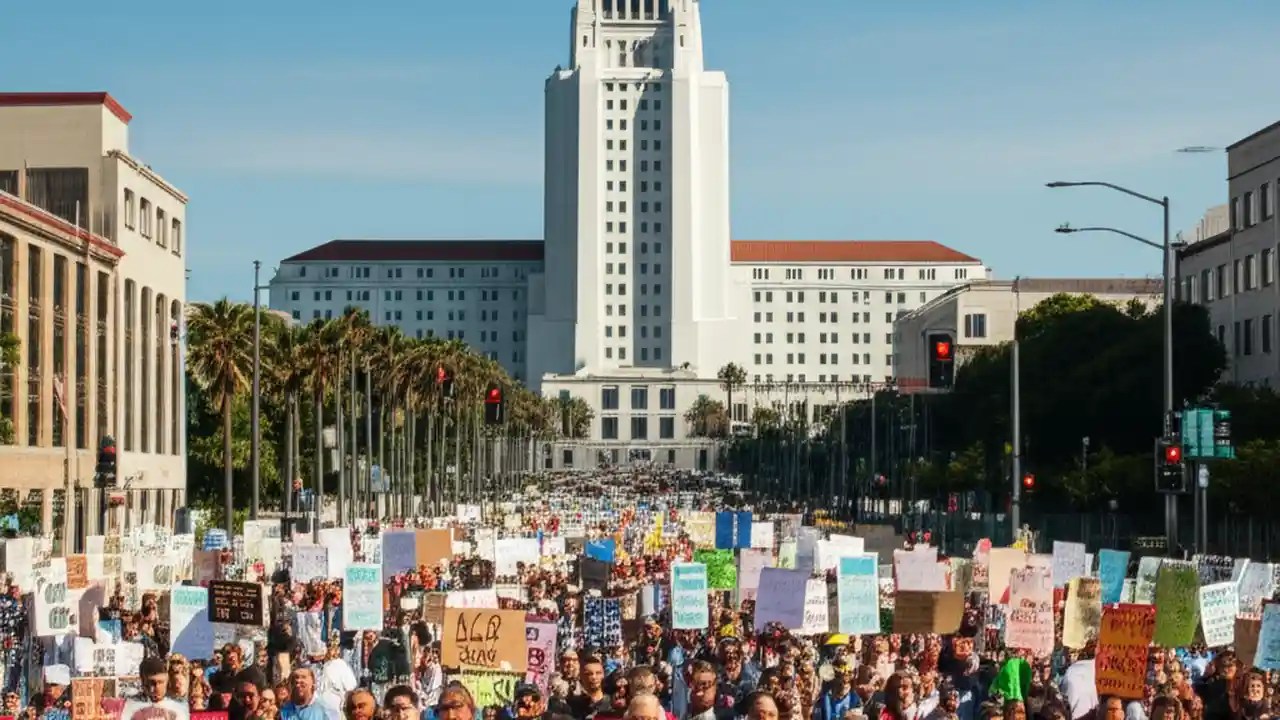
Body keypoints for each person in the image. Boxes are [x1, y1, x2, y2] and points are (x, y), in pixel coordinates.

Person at [121, 657, 191, 720]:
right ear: (143, 682)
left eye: (161, 682)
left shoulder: (179, 706)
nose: (158, 688)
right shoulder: (130, 706)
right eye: (152, 683)